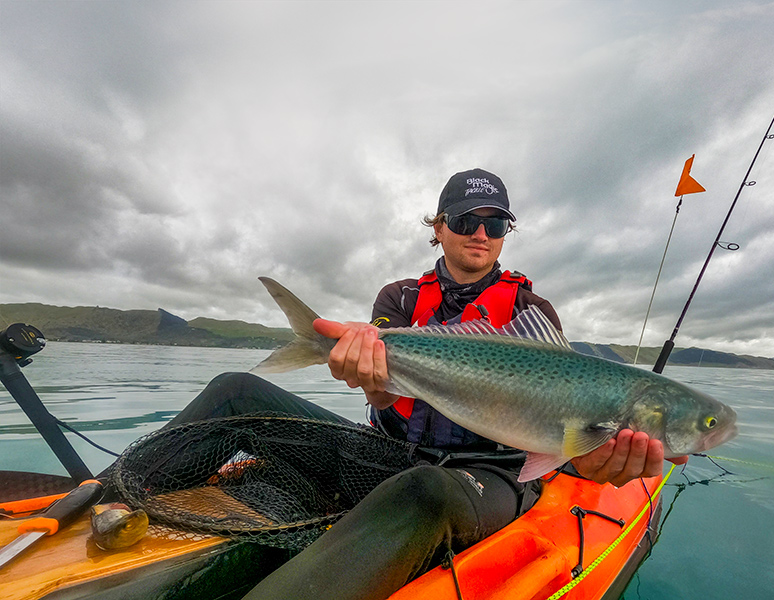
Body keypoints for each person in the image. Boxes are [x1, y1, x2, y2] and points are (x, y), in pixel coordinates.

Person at [174, 168, 685, 600]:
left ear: (505, 233)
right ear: (438, 228)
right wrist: (367, 376)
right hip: (386, 449)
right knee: (234, 389)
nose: (480, 233)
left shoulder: (533, 313)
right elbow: (381, 394)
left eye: (495, 223)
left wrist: (587, 457)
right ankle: (100, 498)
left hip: (488, 475)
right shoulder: (397, 299)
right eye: (466, 220)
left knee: (422, 490)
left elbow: (560, 414)